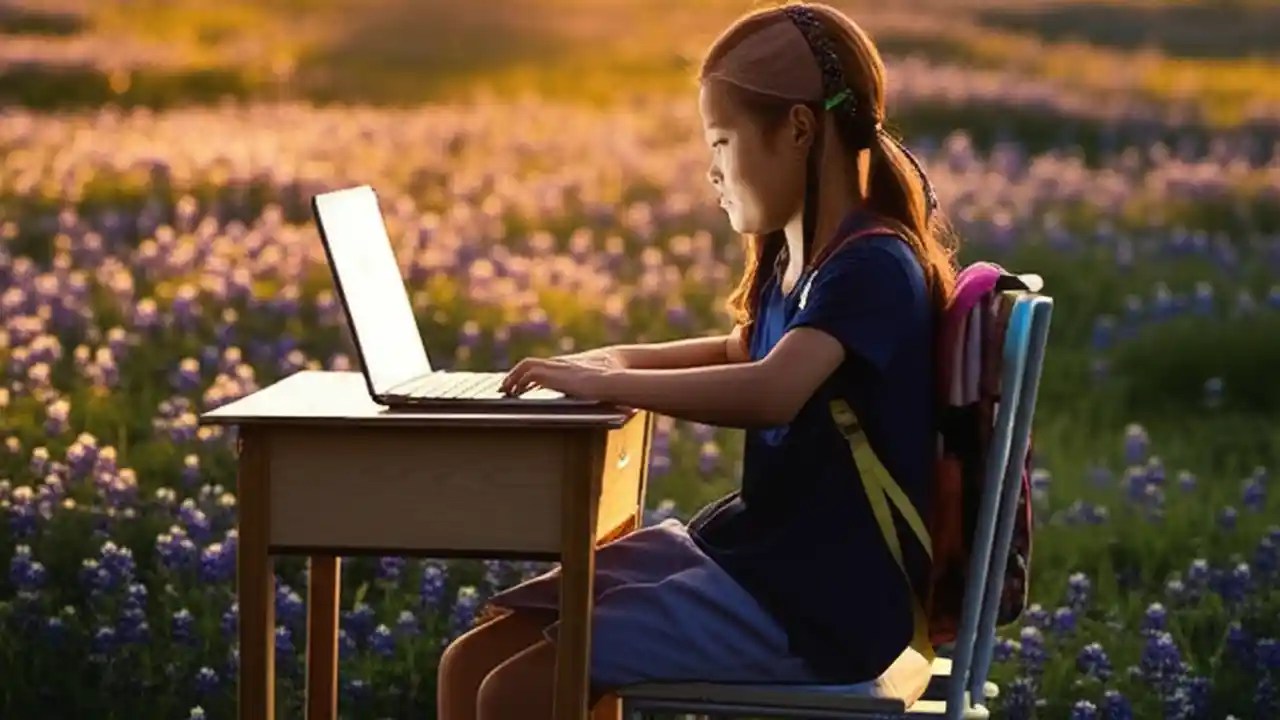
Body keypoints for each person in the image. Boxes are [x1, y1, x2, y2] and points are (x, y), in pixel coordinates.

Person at [436, 3, 959, 719]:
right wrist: (612, 356)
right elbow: (738, 349)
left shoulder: (873, 266)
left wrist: (611, 384)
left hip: (819, 603)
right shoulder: (800, 258)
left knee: (518, 690)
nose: (711, 170)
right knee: (473, 660)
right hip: (758, 561)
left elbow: (773, 388)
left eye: (721, 142)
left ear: (800, 130)